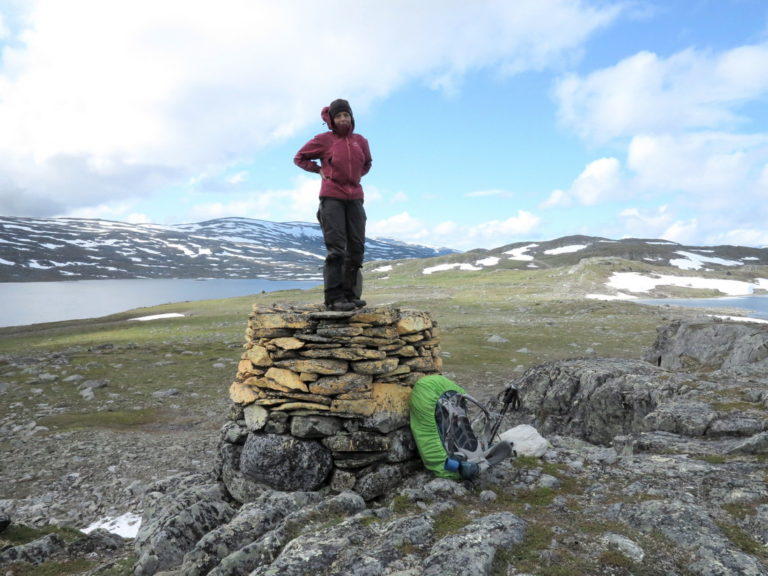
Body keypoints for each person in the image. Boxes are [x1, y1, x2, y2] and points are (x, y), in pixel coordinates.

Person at [294, 98, 372, 311]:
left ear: (351, 117)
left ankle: (349, 295)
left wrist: (355, 177)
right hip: (331, 198)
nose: (343, 119)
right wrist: (319, 170)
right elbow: (299, 157)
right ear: (332, 119)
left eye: (346, 115)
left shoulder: (361, 141)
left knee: (356, 248)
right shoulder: (324, 140)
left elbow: (367, 163)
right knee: (337, 249)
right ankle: (334, 298)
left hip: (355, 197)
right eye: (338, 116)